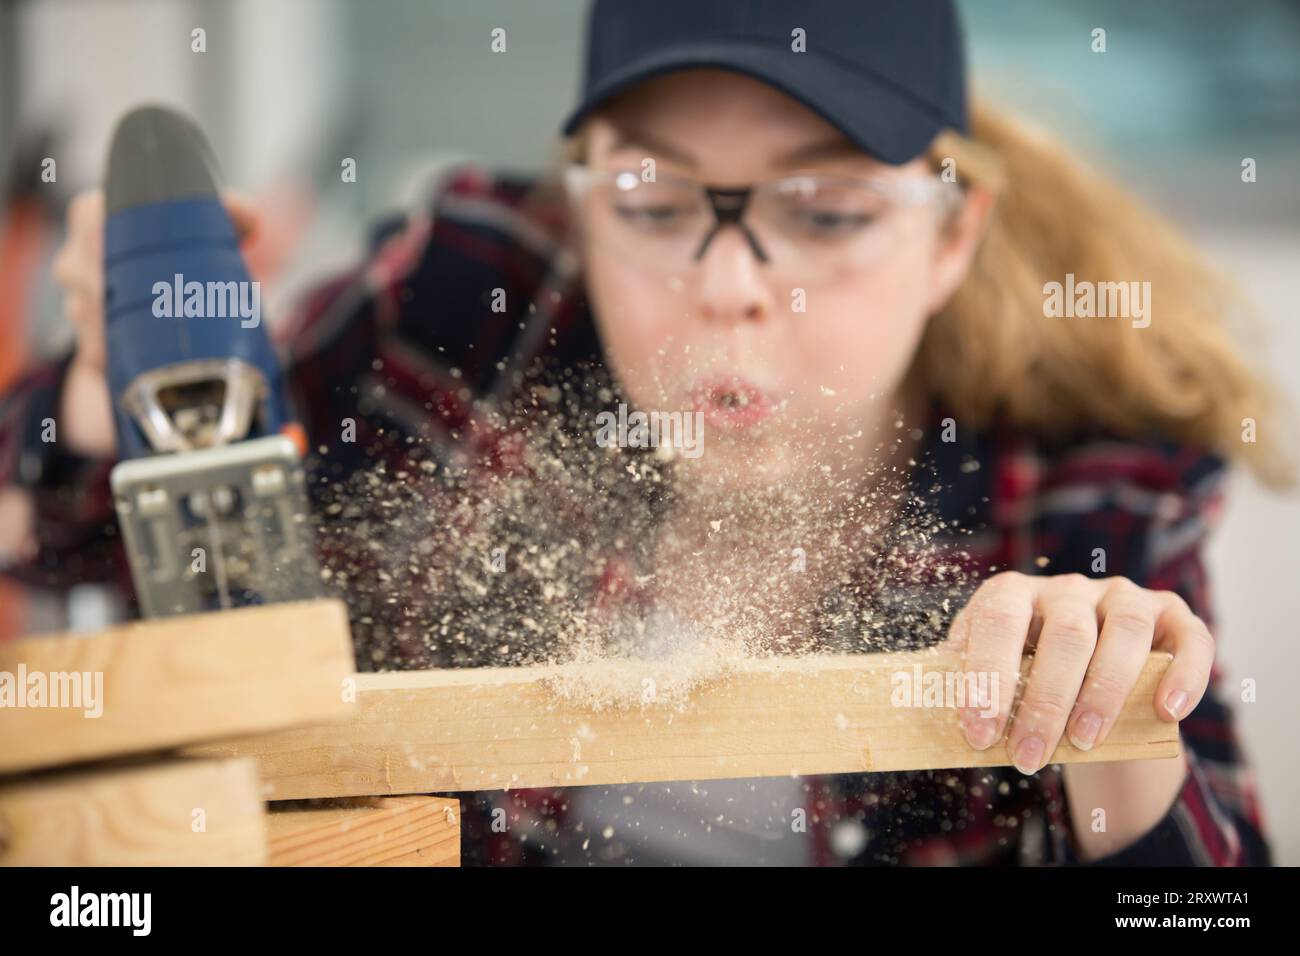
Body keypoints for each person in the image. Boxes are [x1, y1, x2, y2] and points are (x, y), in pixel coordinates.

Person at [0, 0, 1288, 865]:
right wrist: (101, 407)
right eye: (653, 203)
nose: (732, 286)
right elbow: (75, 545)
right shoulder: (465, 302)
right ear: (580, 202)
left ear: (951, 234)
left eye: (830, 213)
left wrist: (1118, 732)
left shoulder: (1077, 463)